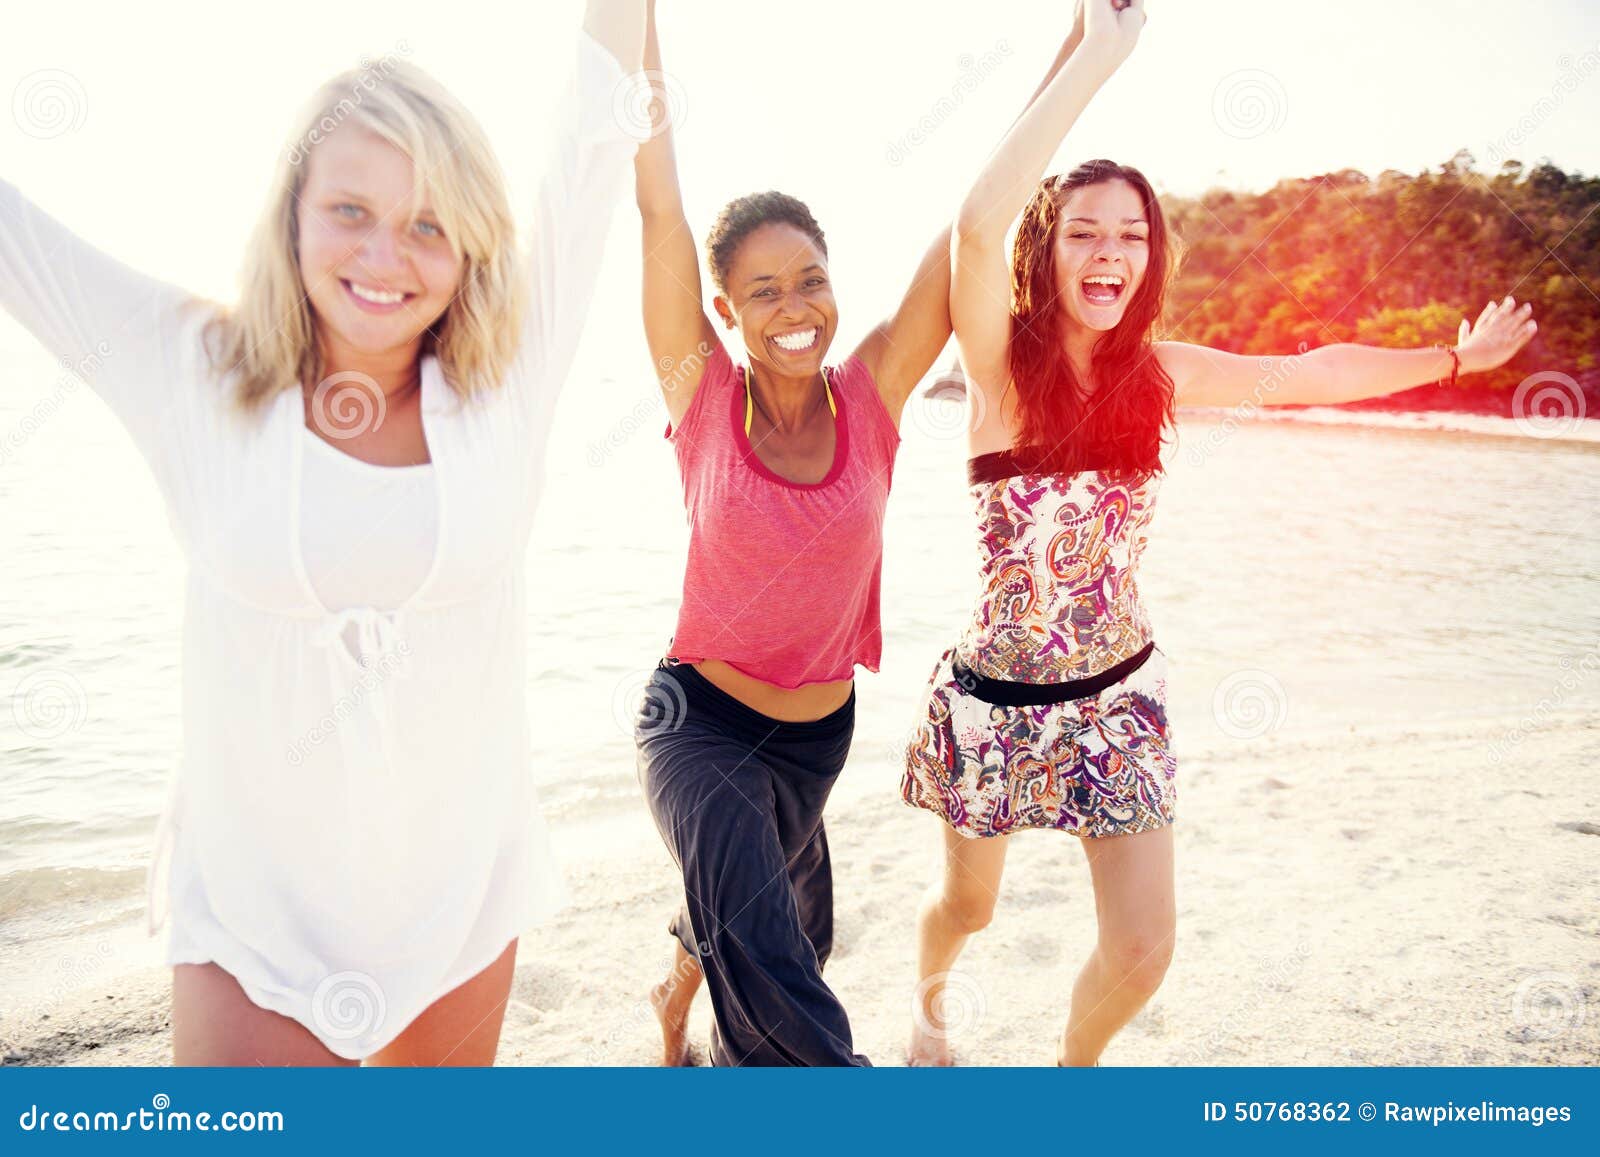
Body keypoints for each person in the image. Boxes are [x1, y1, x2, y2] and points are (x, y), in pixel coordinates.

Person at [0, 1, 644, 1064]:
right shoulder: (192, 369)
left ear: (470, 241)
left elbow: (592, 132)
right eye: (350, 209)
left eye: (430, 222)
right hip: (252, 922)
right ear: (291, 214)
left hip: (458, 906)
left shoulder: (509, 375)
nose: (387, 254)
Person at [901, 0, 1539, 1066]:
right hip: (996, 705)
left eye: (1130, 235)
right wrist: (1095, 59)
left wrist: (1453, 362)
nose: (1109, 252)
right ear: (1046, 251)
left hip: (1117, 700)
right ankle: (928, 1012)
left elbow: (1307, 374)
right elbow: (975, 222)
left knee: (1144, 950)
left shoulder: (1161, 375)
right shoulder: (1002, 371)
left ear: (1150, 259)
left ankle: (1071, 1076)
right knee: (967, 908)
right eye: (1083, 231)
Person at [627, 1, 1100, 1067]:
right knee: (773, 969)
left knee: (783, 934)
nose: (793, 307)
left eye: (810, 280)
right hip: (697, 722)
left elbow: (977, 218)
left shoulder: (874, 394)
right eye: (762, 291)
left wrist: (1077, 54)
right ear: (725, 308)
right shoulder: (701, 393)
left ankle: (672, 1000)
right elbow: (659, 208)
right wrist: (636, 22)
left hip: (815, 740)